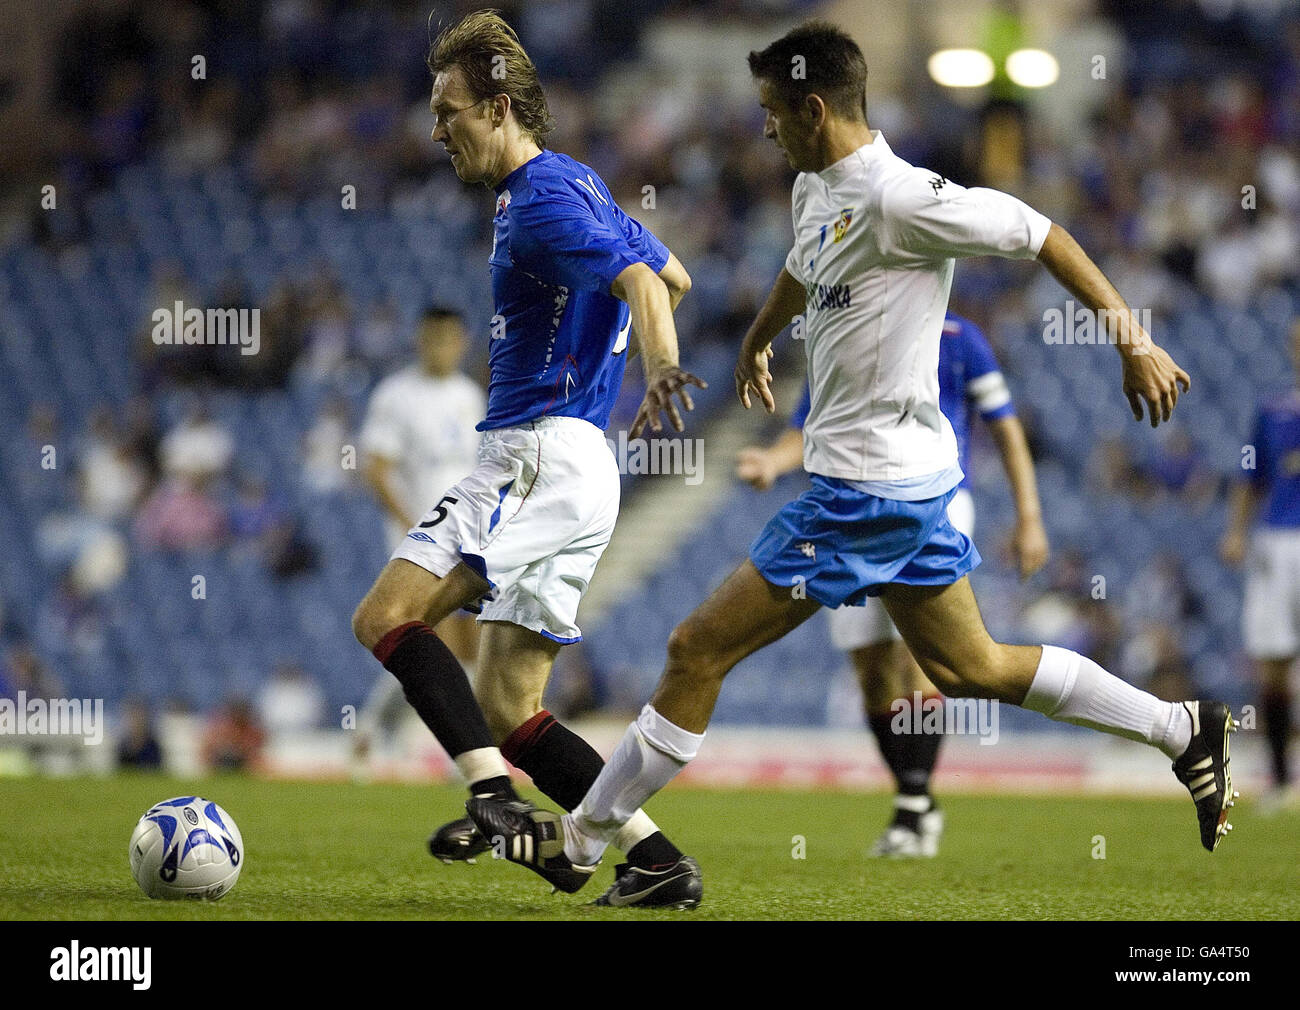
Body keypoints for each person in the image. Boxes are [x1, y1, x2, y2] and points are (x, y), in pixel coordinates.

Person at [472, 21, 1237, 893]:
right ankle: (1184, 727)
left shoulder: (902, 198)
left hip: (863, 499)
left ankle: (581, 849)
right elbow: (806, 265)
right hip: (907, 490)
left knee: (695, 651)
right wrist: (759, 337)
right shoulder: (816, 187)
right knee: (969, 666)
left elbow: (1041, 232)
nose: (763, 127)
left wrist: (1132, 341)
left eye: (772, 110)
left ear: (813, 106)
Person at [348, 11, 706, 908]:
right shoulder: (579, 183)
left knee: (388, 616)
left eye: (449, 110)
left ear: (499, 106)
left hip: (536, 451)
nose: (436, 129)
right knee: (511, 705)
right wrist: (643, 338)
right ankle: (655, 856)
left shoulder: (541, 199)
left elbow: (639, 282)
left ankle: (491, 798)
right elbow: (674, 274)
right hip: (583, 468)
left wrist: (659, 367)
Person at [736, 312, 1049, 856]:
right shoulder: (839, 331)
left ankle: (912, 805)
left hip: (940, 505)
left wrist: (1029, 515)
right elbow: (808, 428)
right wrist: (773, 460)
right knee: (871, 664)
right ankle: (916, 802)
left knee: (916, 656)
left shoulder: (959, 337)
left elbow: (1004, 422)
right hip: (851, 508)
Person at [354, 308, 485, 771]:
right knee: (436, 637)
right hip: (422, 540)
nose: (441, 348)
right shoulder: (396, 395)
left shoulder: (470, 396)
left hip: (469, 534)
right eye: (433, 339)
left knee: (464, 643)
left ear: (462, 341)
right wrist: (416, 526)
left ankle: (371, 730)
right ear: (420, 340)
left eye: (450, 339)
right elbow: (375, 469)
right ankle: (462, 756)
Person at [1219, 318, 1300, 811]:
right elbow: (1250, 475)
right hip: (1275, 542)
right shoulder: (1271, 411)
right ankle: (1281, 777)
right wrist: (1235, 531)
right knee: (1273, 661)